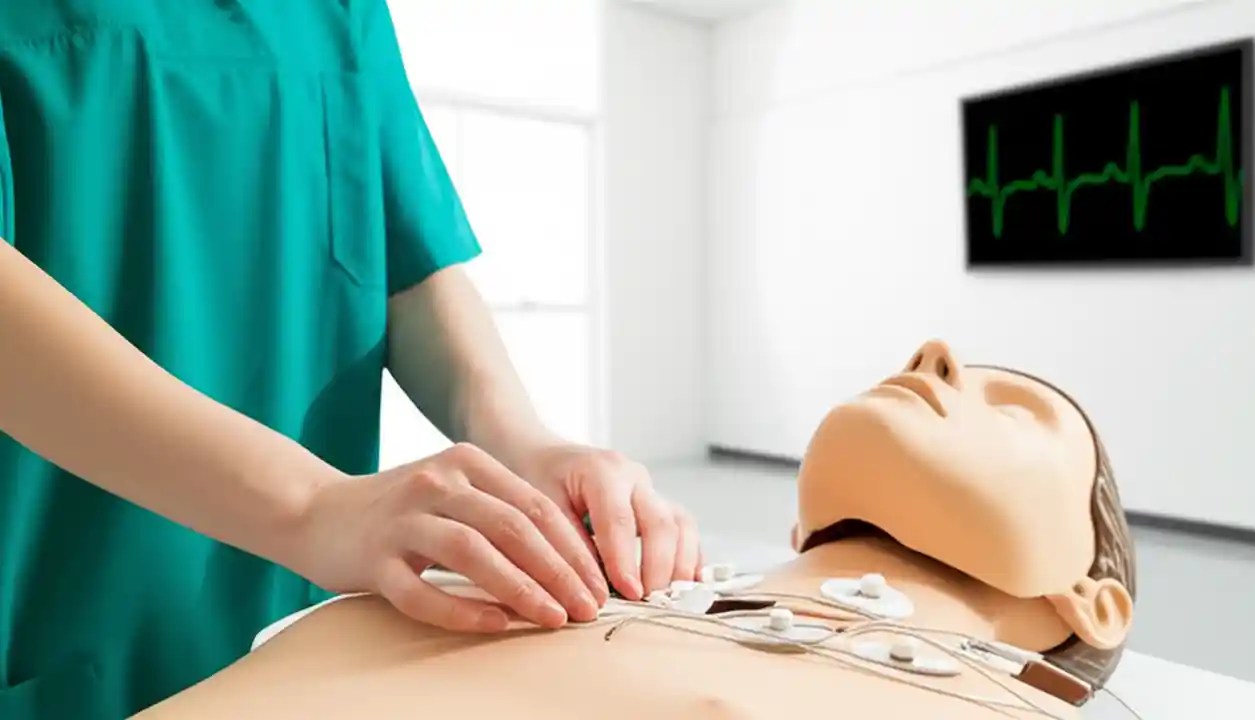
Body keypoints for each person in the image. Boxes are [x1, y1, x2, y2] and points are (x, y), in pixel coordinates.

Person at [0, 2, 698, 717]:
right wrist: (310, 506)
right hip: (64, 613)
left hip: (302, 626)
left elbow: (405, 257)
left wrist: (522, 442)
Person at [131, 339, 1138, 719]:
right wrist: (309, 508)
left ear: (1090, 602)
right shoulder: (526, 576)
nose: (935, 355)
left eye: (1015, 409)